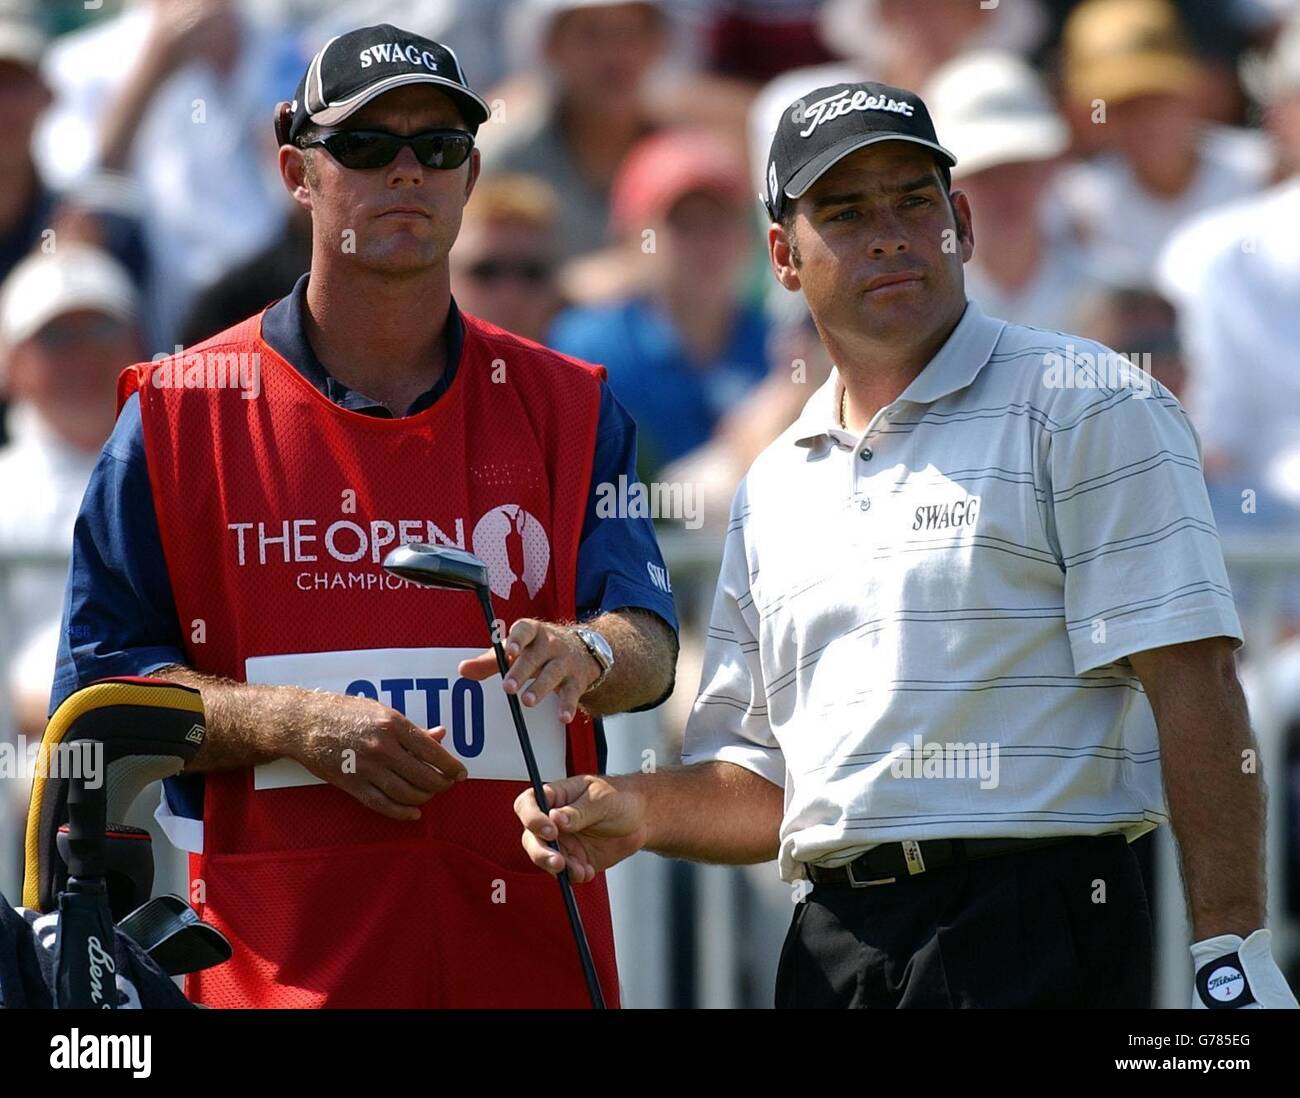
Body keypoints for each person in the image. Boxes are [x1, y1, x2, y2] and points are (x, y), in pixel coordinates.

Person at [514, 78, 1300, 1010]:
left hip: (1041, 922)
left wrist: (1231, 951)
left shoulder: (1091, 400)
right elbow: (763, 785)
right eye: (844, 212)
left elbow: (1194, 685)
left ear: (960, 222)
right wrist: (641, 809)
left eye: (914, 202)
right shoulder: (774, 482)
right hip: (833, 944)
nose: (888, 233)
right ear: (785, 258)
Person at [50, 24, 678, 1009]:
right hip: (276, 982)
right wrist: (293, 723)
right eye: (367, 146)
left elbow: (650, 644)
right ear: (297, 170)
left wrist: (591, 653)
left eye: (436, 149)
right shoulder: (179, 412)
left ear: (470, 175)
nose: (406, 173)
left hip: (534, 973)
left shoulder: (571, 405)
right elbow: (96, 700)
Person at [548, 128, 769, 477]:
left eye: (720, 221)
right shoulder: (587, 348)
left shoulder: (779, 344)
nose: (706, 242)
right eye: (683, 224)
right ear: (632, 237)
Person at [1055, 0, 1273, 288]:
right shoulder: (1081, 203)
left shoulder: (1261, 172)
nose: (1146, 121)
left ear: (1192, 92)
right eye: (1124, 107)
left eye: (1157, 98)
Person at [923, 50, 1106, 335]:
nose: (1006, 190)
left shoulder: (1107, 293)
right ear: (950, 183)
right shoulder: (923, 304)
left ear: (1049, 168)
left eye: (1020, 168)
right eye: (985, 173)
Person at [448, 173, 564, 344]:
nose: (511, 296)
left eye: (532, 273)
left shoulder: (588, 362)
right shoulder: (407, 369)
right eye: (486, 271)